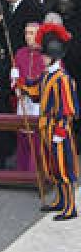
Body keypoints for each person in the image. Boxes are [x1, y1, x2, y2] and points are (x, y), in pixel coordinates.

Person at [21, 22, 80, 219]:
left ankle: (70, 207)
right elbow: (37, 93)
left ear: (53, 57)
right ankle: (60, 201)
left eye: (45, 56)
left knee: (64, 169)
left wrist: (60, 132)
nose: (42, 58)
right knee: (53, 168)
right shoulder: (47, 75)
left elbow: (69, 110)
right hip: (46, 127)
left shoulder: (62, 79)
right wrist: (22, 85)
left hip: (58, 130)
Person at [13, 21, 48, 170]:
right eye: (26, 33)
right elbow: (14, 75)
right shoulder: (20, 53)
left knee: (38, 139)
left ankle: (38, 172)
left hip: (41, 103)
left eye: (31, 33)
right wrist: (17, 86)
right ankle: (22, 172)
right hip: (23, 102)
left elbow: (53, 79)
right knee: (23, 138)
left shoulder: (48, 55)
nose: (28, 36)